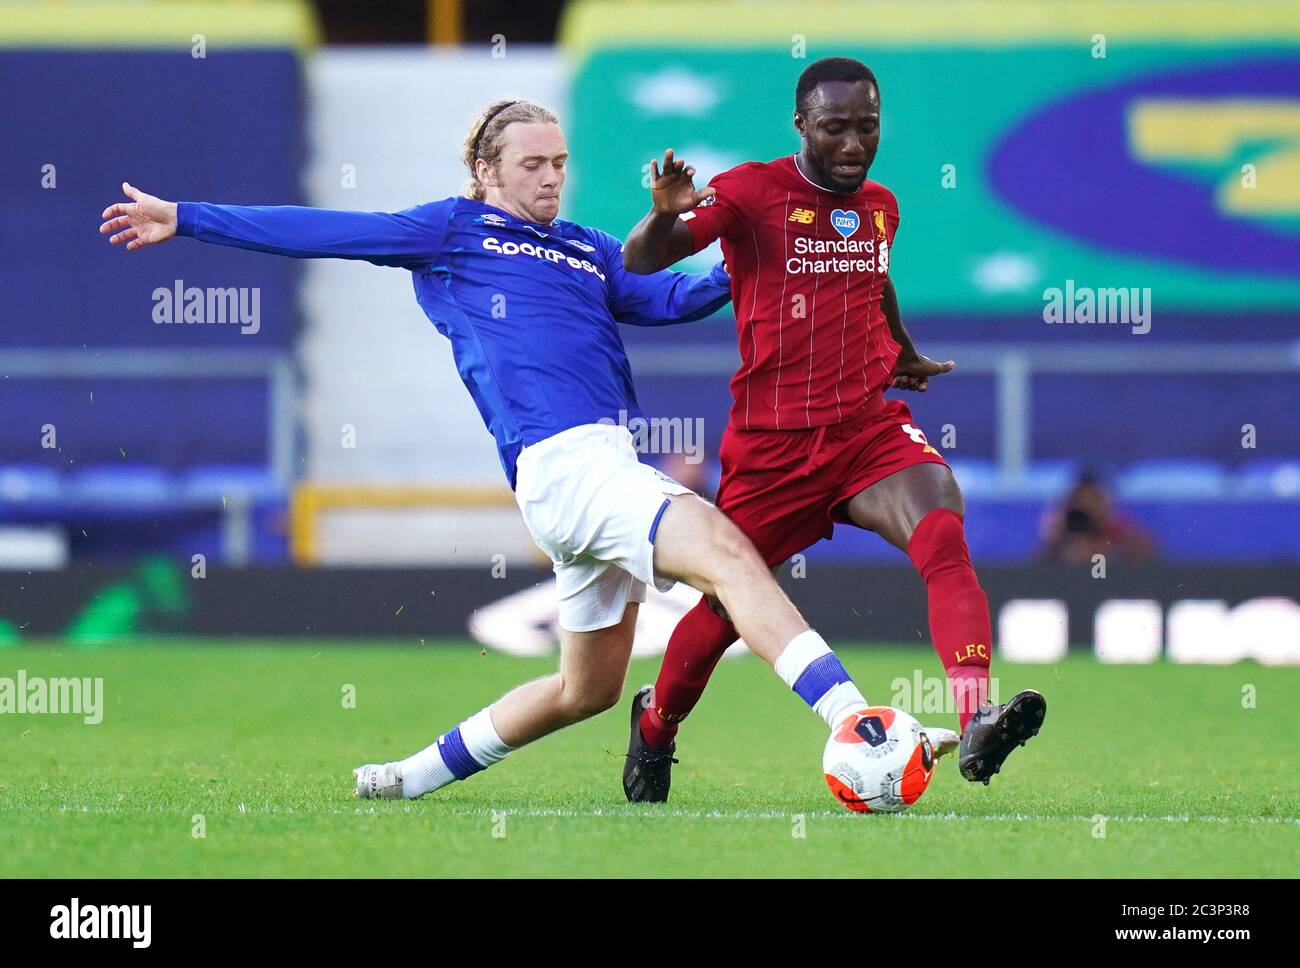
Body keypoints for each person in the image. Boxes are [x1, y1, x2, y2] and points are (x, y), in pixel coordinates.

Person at [99, 98, 941, 800]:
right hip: (565, 463)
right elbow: (329, 228)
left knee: (586, 691)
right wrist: (188, 219)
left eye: (559, 163)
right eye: (531, 164)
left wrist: (764, 251)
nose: (549, 177)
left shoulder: (585, 249)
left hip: (600, 469)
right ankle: (855, 721)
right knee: (728, 550)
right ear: (487, 173)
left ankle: (407, 777)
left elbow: (674, 298)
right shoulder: (454, 232)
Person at [620, 58, 1045, 800]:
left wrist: (902, 350)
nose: (854, 144)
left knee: (942, 530)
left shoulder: (880, 205)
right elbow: (643, 261)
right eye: (836, 128)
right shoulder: (751, 192)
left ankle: (977, 715)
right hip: (774, 447)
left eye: (868, 126)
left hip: (866, 430)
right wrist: (664, 211)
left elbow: (873, 275)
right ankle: (655, 728)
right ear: (801, 125)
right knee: (724, 612)